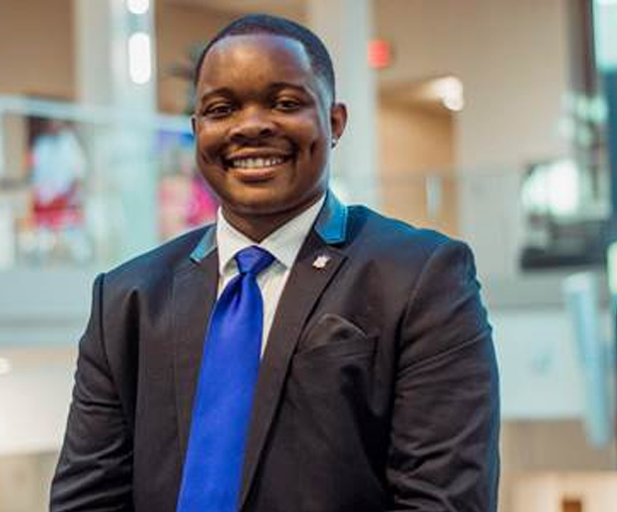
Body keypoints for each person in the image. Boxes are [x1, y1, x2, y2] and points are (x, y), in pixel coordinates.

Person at [50, 14, 499, 512]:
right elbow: (84, 502)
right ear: (197, 129)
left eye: (285, 103)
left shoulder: (421, 277)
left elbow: (444, 500)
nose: (251, 126)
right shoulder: (127, 299)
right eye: (222, 109)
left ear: (334, 122)